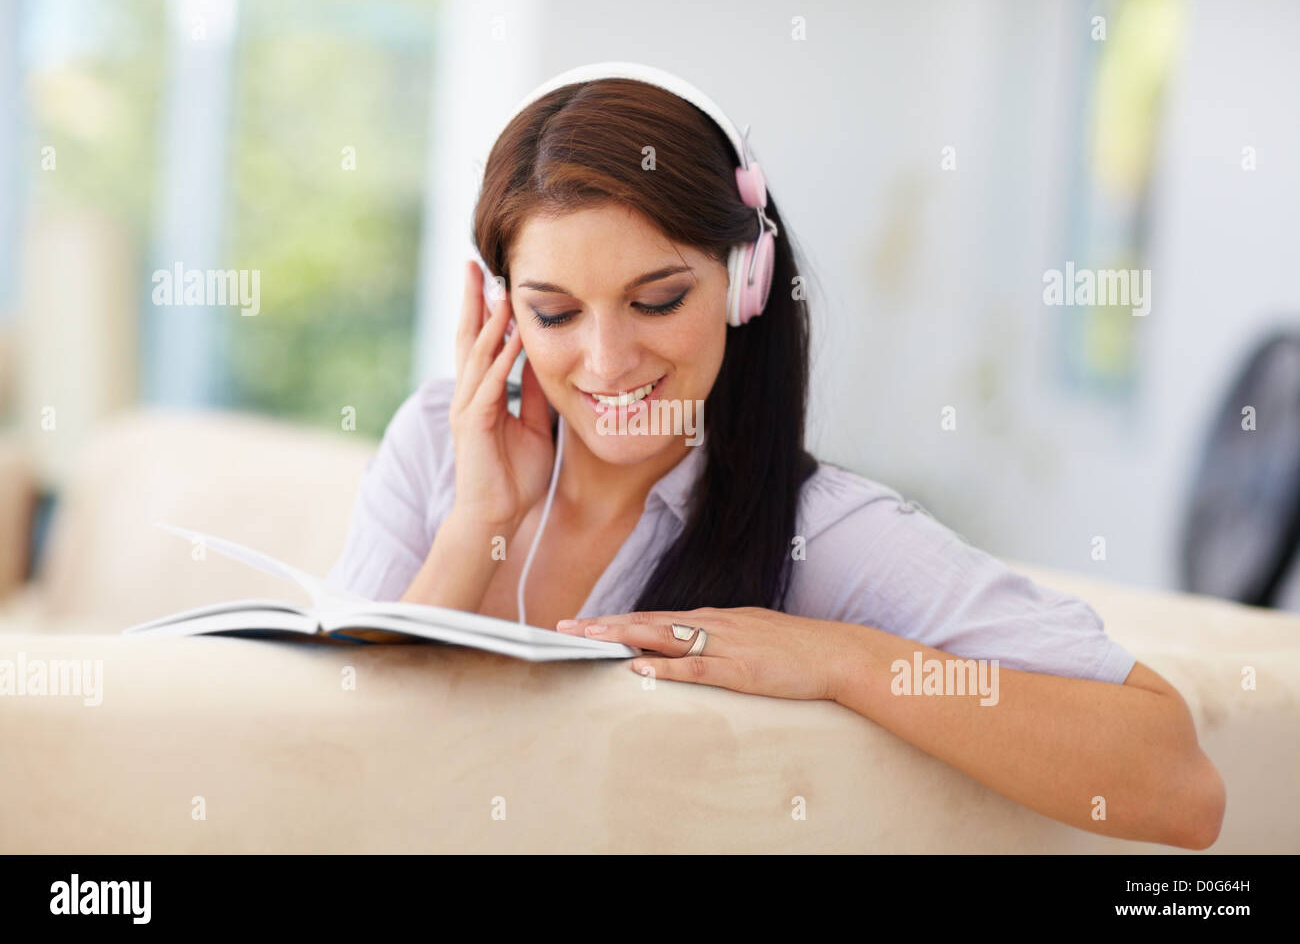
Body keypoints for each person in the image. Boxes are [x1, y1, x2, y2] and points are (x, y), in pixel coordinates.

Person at [327, 64, 1224, 849]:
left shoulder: (825, 533)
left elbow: (1178, 785)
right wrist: (477, 525)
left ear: (744, 283)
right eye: (555, 313)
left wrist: (840, 659)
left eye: (657, 299)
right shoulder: (439, 448)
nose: (605, 363)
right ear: (501, 314)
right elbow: (322, 761)